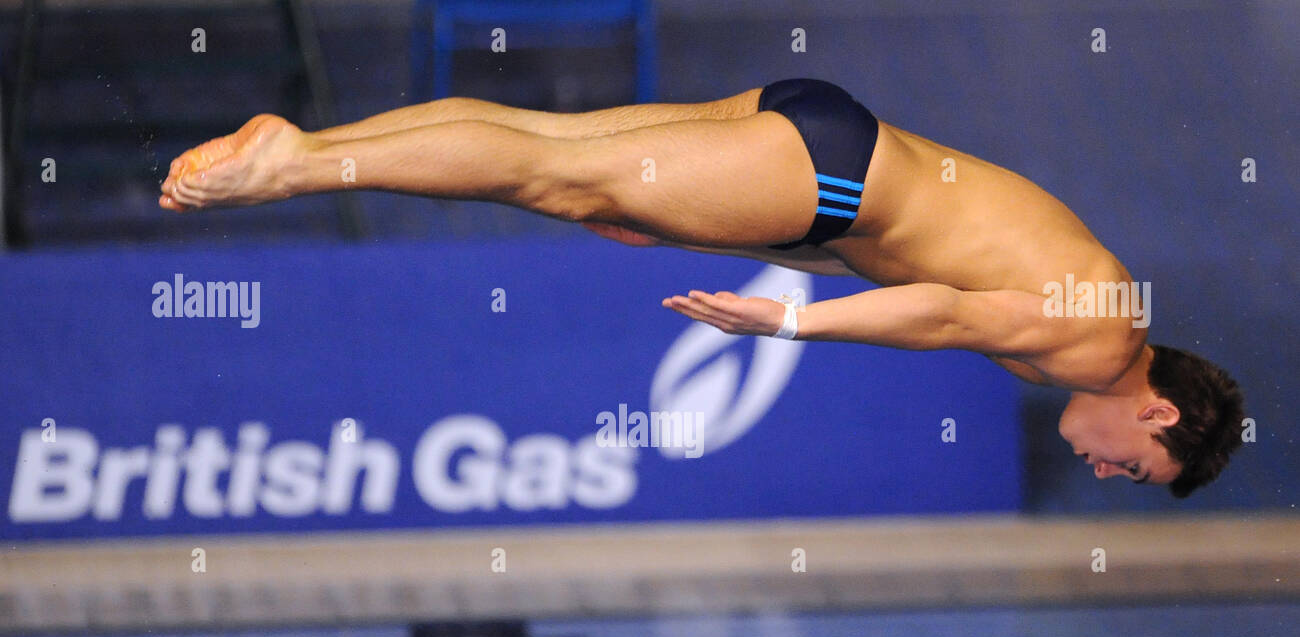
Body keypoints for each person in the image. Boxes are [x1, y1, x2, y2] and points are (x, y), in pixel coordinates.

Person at [159, 78, 1244, 496]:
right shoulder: (1102, 347)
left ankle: (309, 145)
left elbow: (924, 265)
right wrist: (786, 319)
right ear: (1158, 412)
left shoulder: (1098, 312)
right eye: (1140, 467)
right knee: (557, 173)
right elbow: (943, 310)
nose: (1111, 472)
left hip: (827, 147)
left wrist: (735, 241)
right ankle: (295, 164)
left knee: (560, 159)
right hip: (827, 180)